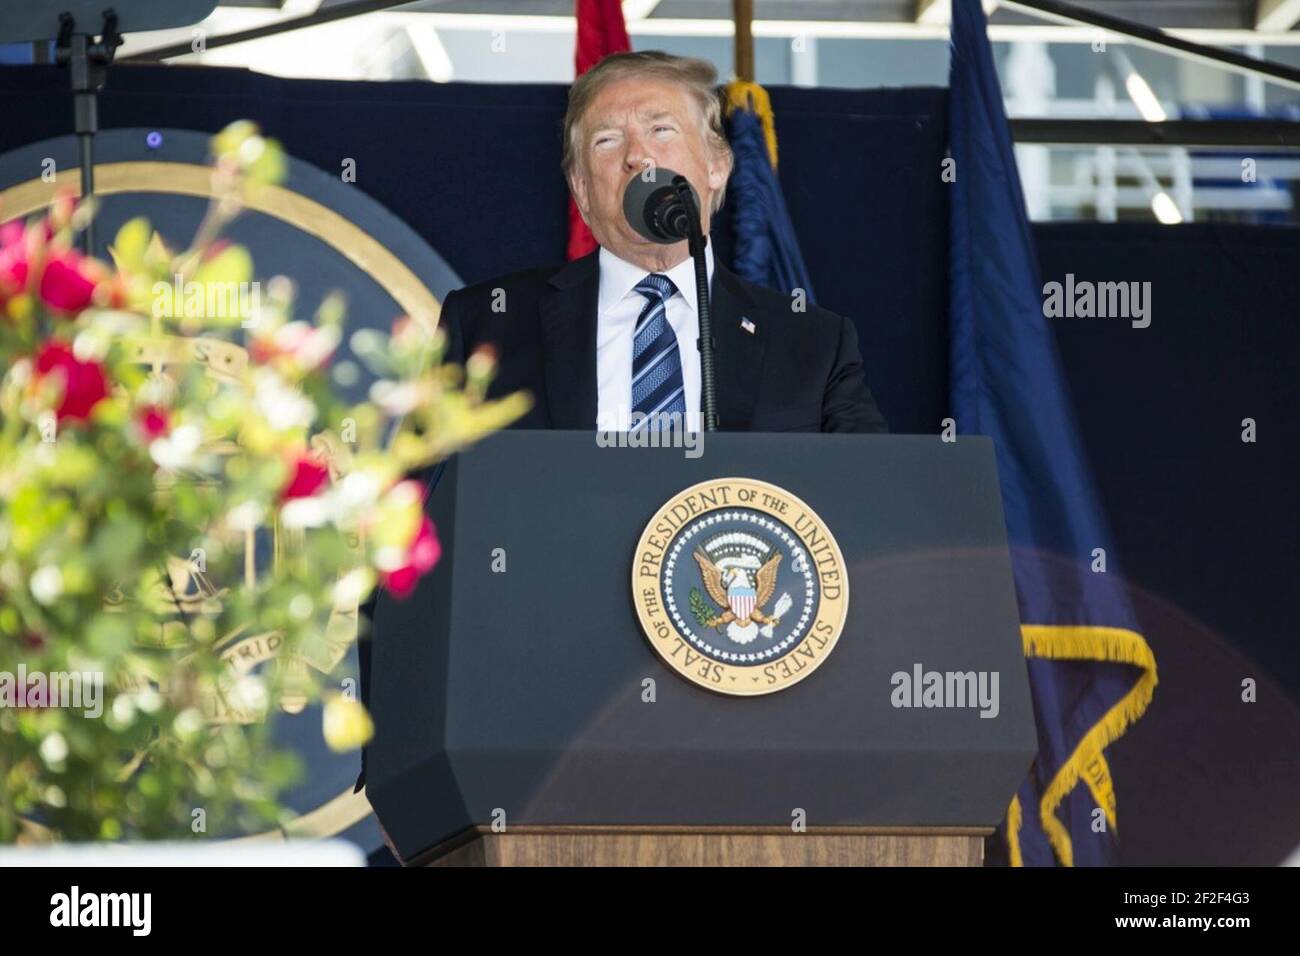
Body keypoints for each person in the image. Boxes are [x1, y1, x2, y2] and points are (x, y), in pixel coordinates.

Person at [440, 50, 888, 434]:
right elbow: (420, 511)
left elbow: (869, 499)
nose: (638, 156)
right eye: (607, 139)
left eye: (661, 130)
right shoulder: (484, 327)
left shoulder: (814, 344)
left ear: (717, 167)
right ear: (581, 191)